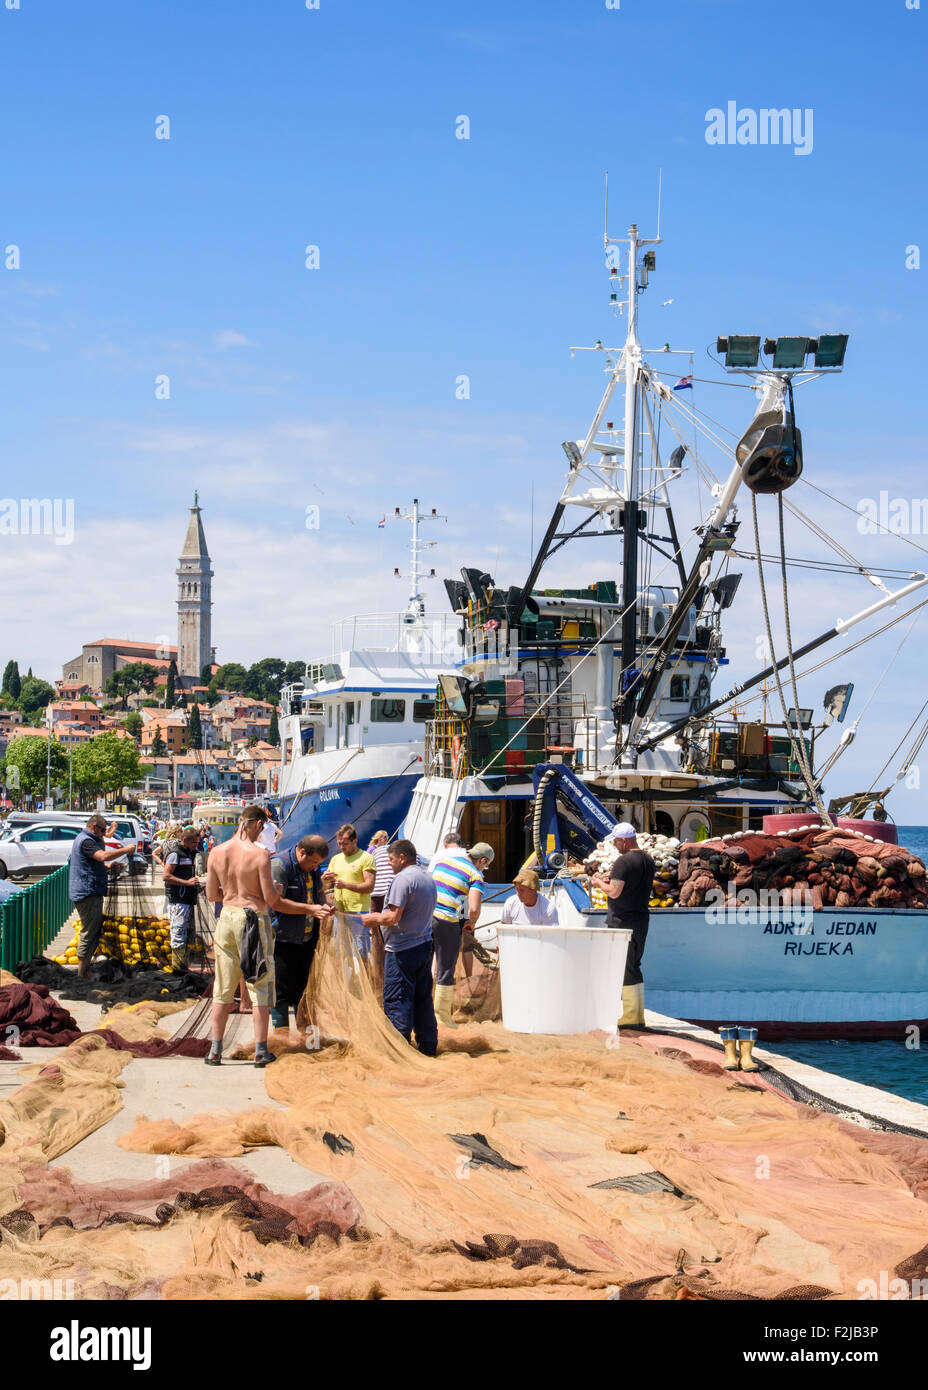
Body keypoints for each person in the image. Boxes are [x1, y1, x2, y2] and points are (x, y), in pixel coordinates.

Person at [204, 804, 283, 1067]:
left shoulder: (216, 852)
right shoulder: (260, 854)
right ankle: (261, 1050)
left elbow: (211, 895)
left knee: (223, 987)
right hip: (253, 920)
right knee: (259, 985)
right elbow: (270, 898)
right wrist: (277, 892)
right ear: (259, 824)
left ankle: (215, 1050)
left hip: (226, 917)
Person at [361, 840, 438, 1055]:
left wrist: (373, 918)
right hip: (424, 946)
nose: (389, 863)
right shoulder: (427, 877)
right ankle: (428, 1044)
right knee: (422, 999)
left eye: (392, 859)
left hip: (402, 949)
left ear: (402, 857)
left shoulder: (402, 879)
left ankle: (399, 1049)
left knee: (397, 998)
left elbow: (393, 917)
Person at [591, 823, 655, 1028]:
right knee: (634, 965)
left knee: (623, 966)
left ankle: (629, 1016)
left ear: (625, 840)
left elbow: (615, 892)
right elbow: (631, 884)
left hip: (622, 921)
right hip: (641, 919)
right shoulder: (647, 859)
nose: (615, 844)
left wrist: (599, 883)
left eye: (616, 841)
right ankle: (637, 1015)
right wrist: (613, 879)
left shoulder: (623, 861)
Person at [268, 834, 333, 1031]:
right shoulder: (279, 866)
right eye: (313, 862)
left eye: (318, 864)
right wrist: (310, 909)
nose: (315, 867)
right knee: (280, 994)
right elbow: (276, 903)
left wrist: (325, 906)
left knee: (306, 991)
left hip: (306, 939)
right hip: (283, 940)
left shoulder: (311, 869)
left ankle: (308, 1039)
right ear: (301, 852)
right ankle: (282, 1041)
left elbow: (317, 894)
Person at [68, 814, 138, 979]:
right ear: (93, 827)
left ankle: (85, 971)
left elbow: (95, 862)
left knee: (92, 930)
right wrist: (126, 850)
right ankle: (81, 974)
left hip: (90, 890)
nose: (104, 833)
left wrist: (108, 866)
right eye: (102, 830)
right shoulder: (86, 841)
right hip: (87, 892)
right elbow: (102, 856)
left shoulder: (87, 838)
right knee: (89, 932)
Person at [429, 839, 490, 1025]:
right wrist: (470, 923)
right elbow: (473, 908)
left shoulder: (442, 863)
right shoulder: (475, 874)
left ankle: (422, 1012)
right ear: (482, 860)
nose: (485, 869)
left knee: (424, 967)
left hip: (426, 917)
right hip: (447, 922)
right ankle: (442, 1018)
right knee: (446, 969)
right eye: (486, 865)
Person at [324, 822, 376, 957]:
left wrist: (345, 885)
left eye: (345, 844)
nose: (341, 847)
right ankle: (346, 978)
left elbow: (369, 887)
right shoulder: (336, 859)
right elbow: (324, 887)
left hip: (358, 912)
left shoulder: (366, 858)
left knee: (361, 953)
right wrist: (325, 879)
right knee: (340, 953)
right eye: (339, 843)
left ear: (355, 841)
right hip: (339, 912)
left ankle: (362, 978)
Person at [162, 825, 202, 972]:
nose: (196, 846)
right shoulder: (175, 854)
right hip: (178, 901)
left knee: (187, 934)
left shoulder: (191, 854)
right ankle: (177, 969)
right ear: (184, 840)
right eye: (194, 843)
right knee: (178, 934)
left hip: (188, 900)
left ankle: (184, 966)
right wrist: (187, 883)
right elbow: (166, 876)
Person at [366, 829, 393, 994]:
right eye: (385, 837)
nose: (386, 839)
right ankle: (385, 970)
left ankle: (379, 971)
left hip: (377, 893)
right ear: (381, 838)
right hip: (386, 892)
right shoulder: (374, 851)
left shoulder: (373, 852)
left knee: (377, 934)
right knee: (386, 932)